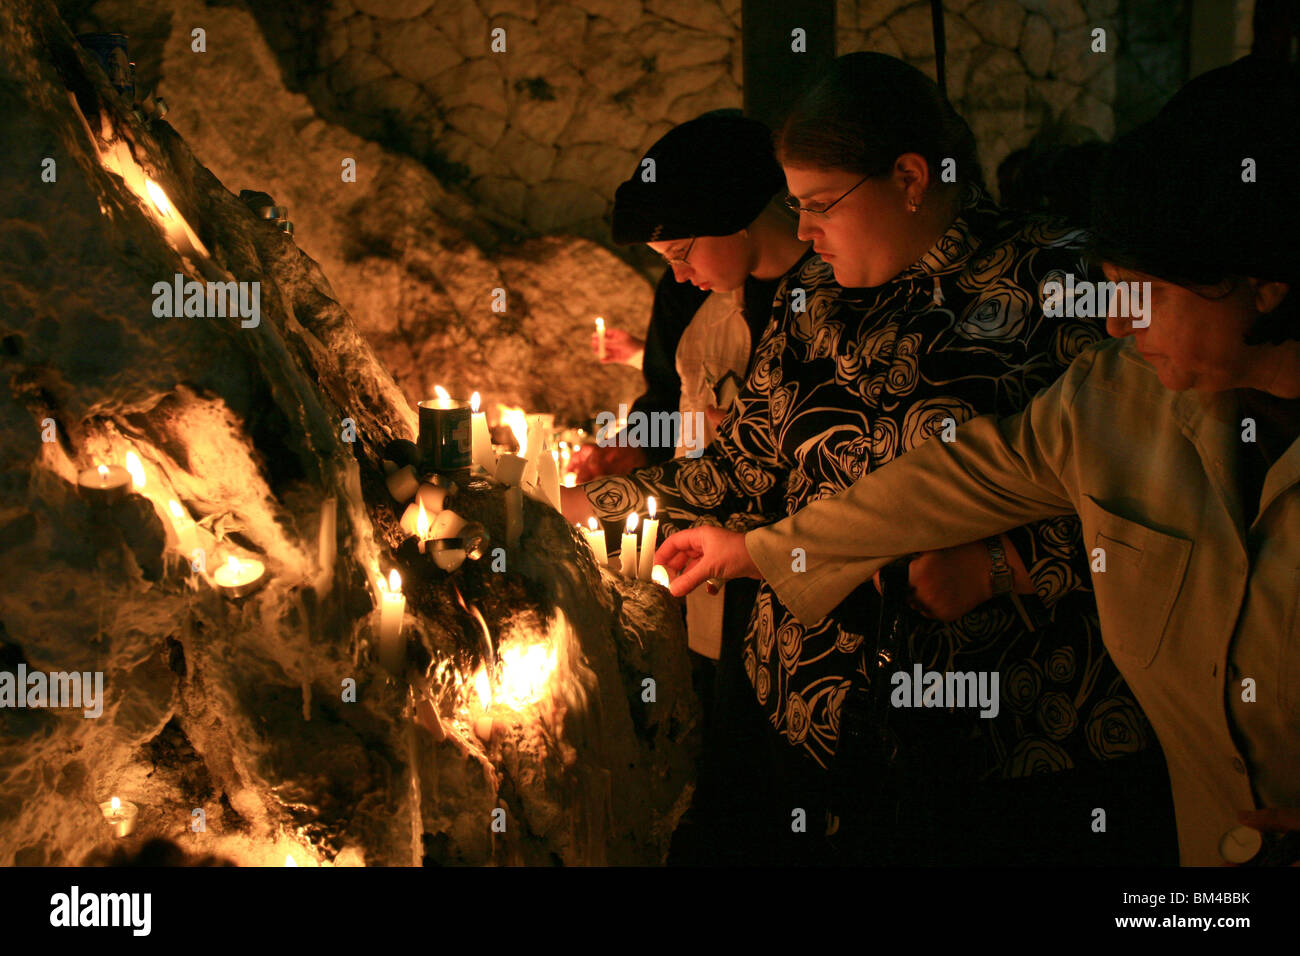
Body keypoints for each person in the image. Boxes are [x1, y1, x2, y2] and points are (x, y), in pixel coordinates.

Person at [656, 55, 1300, 867]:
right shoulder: (815, 298)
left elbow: (1136, 526)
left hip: (1029, 735)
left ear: (911, 177)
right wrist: (712, 537)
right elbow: (947, 478)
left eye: (820, 205)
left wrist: (1009, 564)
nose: (806, 232)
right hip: (832, 718)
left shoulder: (1067, 290)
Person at [571, 111, 811, 484]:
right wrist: (631, 448)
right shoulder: (683, 295)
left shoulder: (832, 290)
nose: (679, 273)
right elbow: (667, 395)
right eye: (667, 261)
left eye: (681, 252)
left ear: (734, 214)